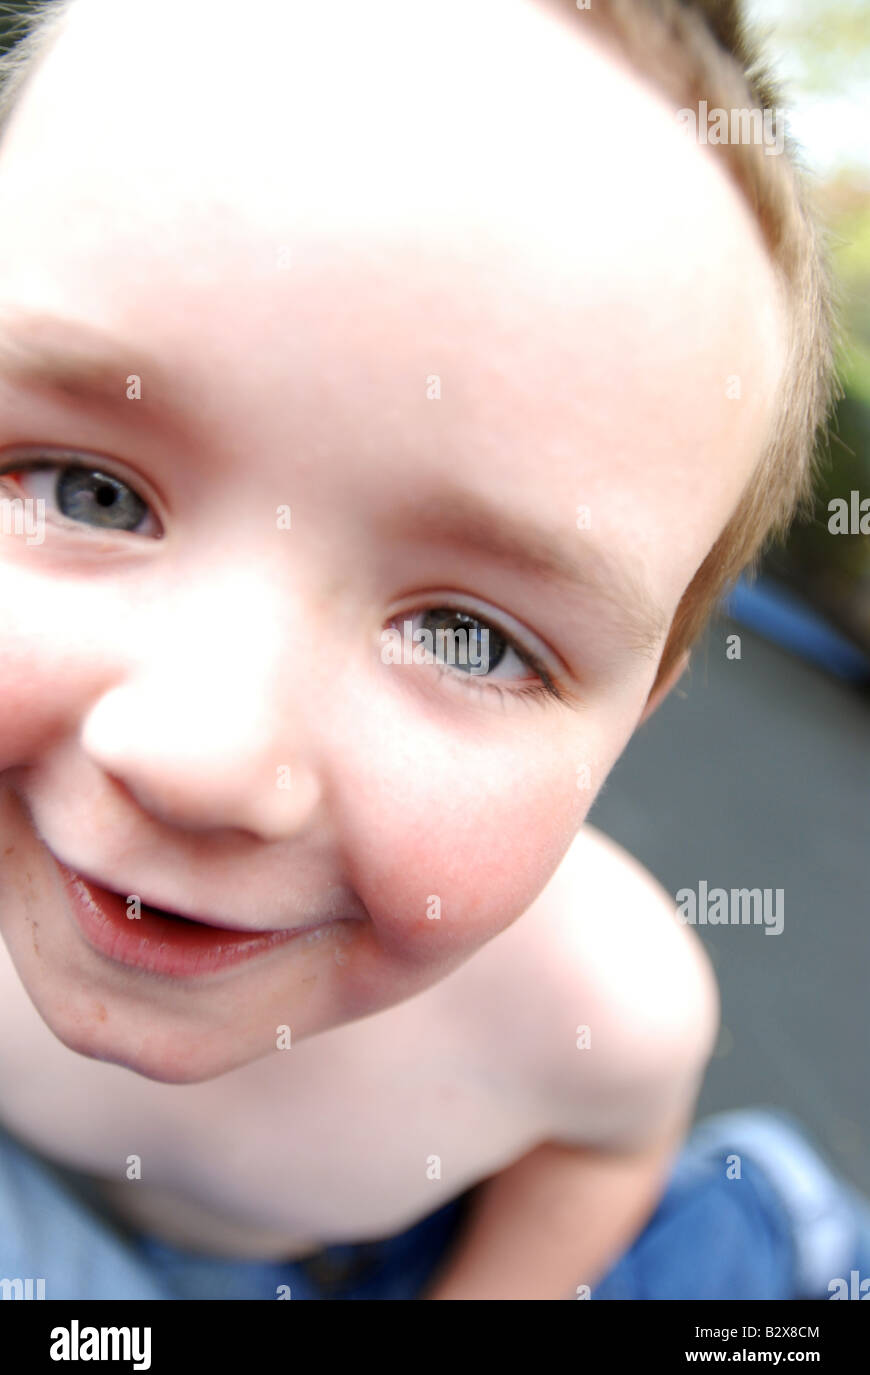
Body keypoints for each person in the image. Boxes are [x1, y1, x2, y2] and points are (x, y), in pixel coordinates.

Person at [0, 0, 865, 1300]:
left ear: (634, 715)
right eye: (84, 490)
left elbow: (600, 1149)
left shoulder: (603, 1007)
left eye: (467, 634)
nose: (199, 758)